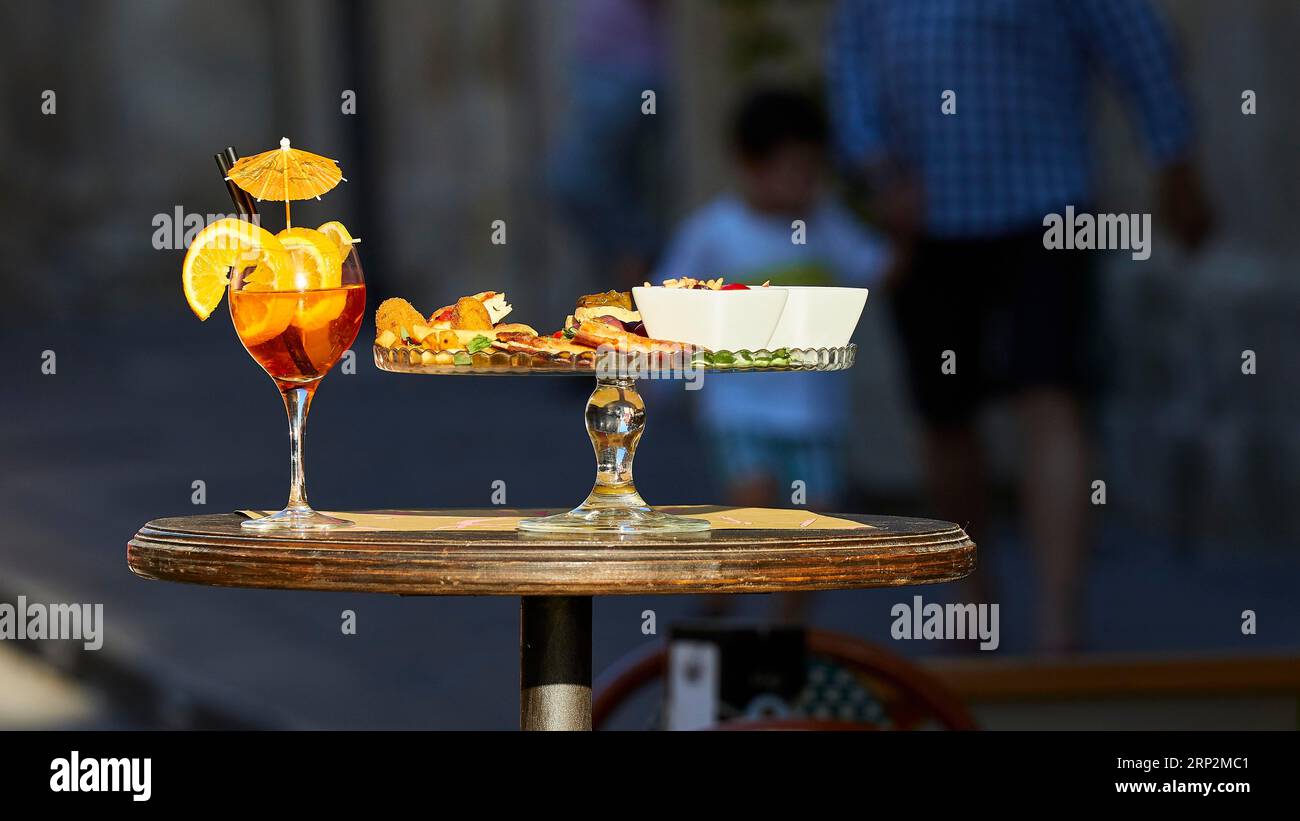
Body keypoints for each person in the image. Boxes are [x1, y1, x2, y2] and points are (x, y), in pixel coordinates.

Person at [828, 0, 1212, 652]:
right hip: (923, 223)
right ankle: (973, 601)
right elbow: (853, 62)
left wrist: (1175, 165)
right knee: (945, 416)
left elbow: (1137, 44)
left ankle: (1060, 624)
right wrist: (877, 168)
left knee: (1052, 395)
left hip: (1045, 209)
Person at [656, 89, 889, 522]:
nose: (807, 183)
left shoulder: (828, 222)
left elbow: (877, 267)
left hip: (816, 411)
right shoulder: (713, 232)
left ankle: (773, 593)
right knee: (752, 509)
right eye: (795, 170)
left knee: (814, 527)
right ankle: (722, 589)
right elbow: (666, 301)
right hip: (739, 406)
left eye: (814, 170)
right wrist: (663, 378)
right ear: (751, 165)